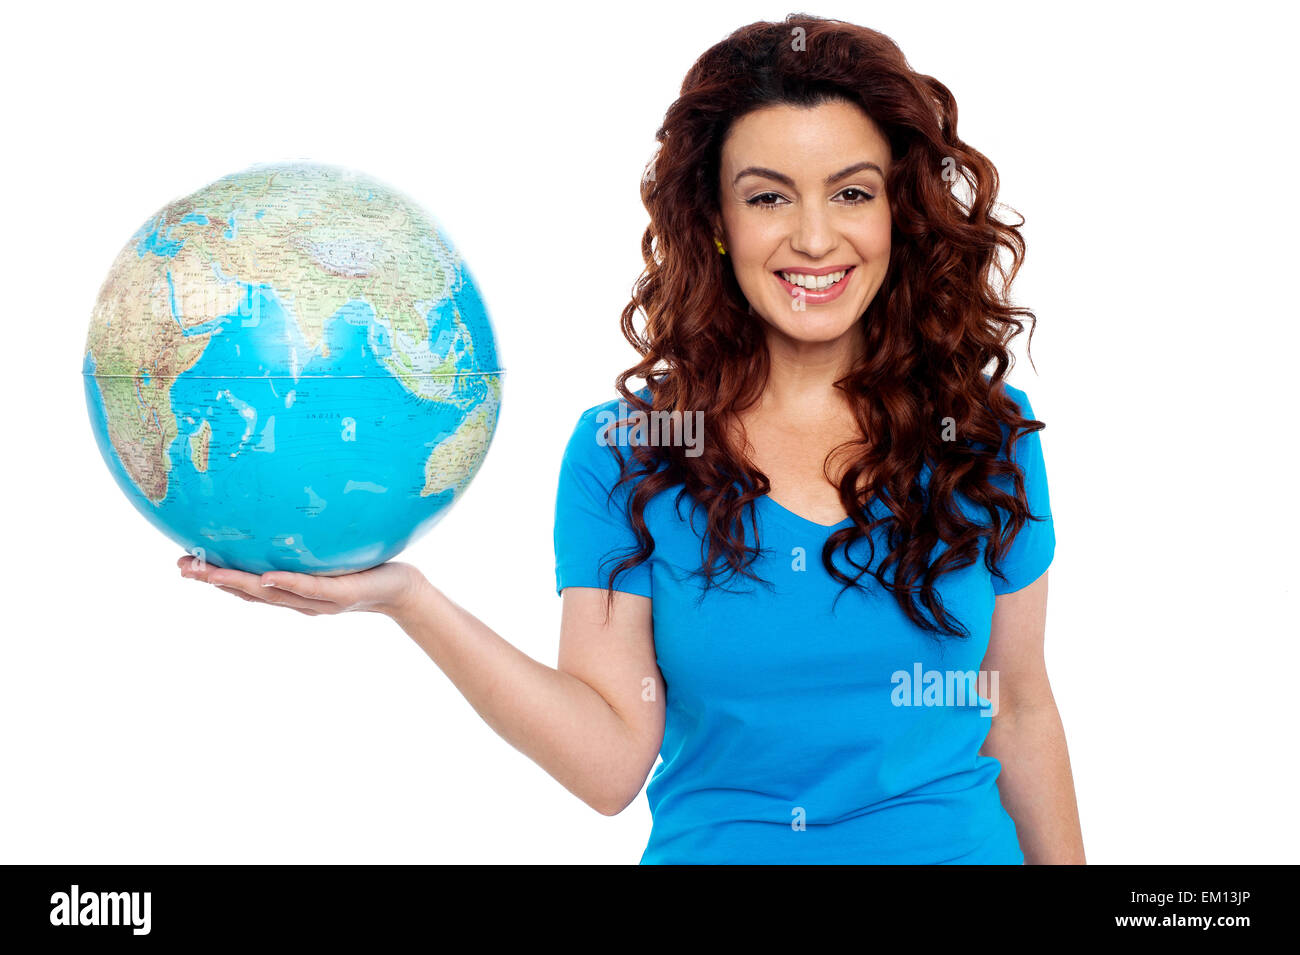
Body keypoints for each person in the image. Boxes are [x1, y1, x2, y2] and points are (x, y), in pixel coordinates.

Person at [179, 14, 1085, 865]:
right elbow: (611, 762)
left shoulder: (985, 442)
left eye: (852, 191)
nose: (816, 237)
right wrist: (410, 600)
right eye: (767, 197)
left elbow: (1019, 709)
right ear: (718, 226)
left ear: (898, 211)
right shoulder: (631, 452)